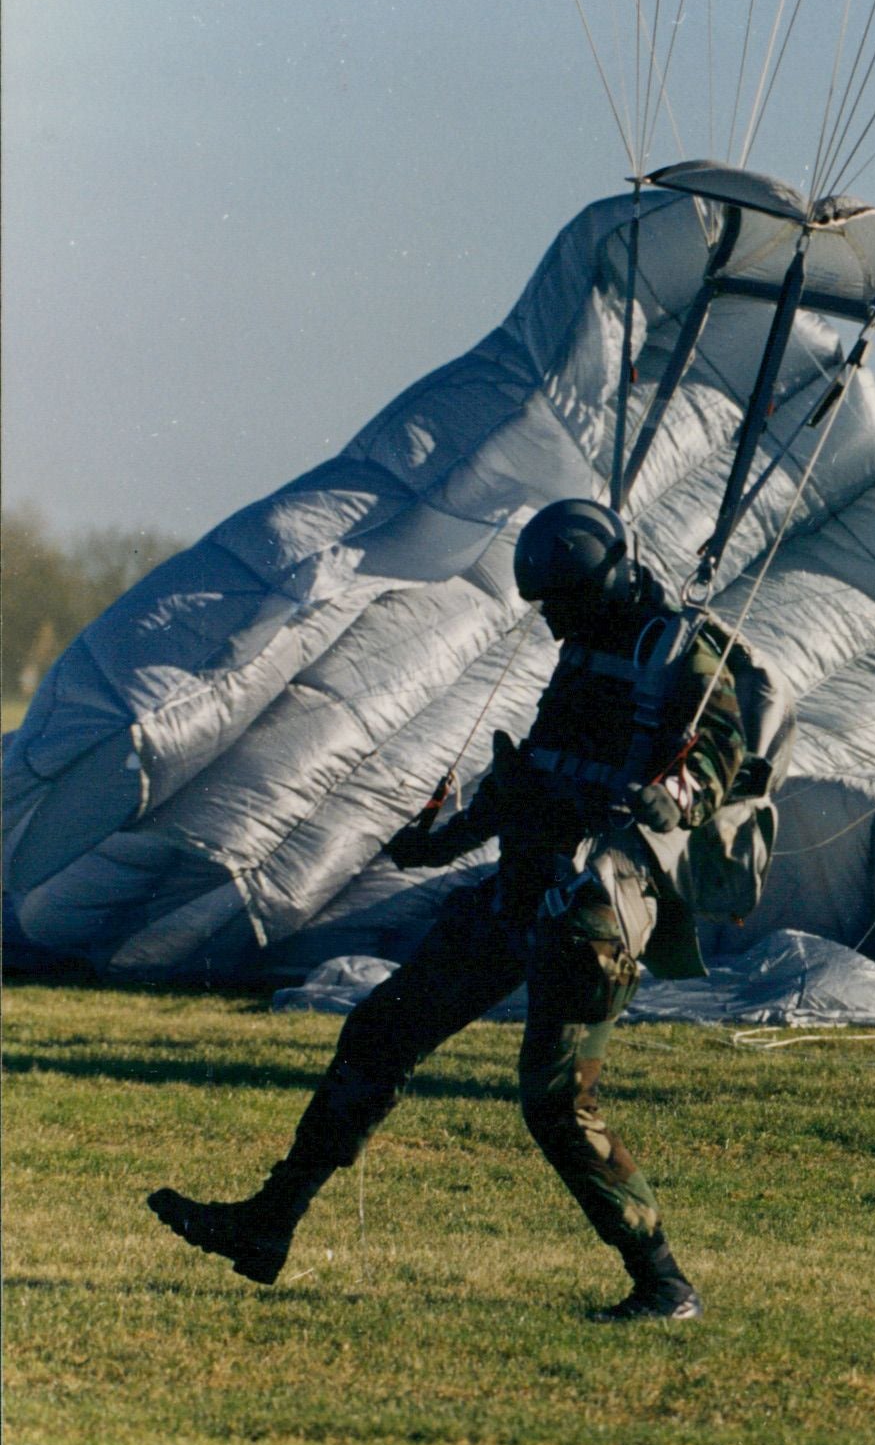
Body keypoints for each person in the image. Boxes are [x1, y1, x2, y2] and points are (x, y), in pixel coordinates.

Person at [148, 498, 793, 1319]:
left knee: (556, 1101)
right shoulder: (584, 647)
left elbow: (714, 756)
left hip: (593, 901)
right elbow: (530, 774)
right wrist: (440, 843)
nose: (553, 623)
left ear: (607, 582)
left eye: (563, 604)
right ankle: (269, 1225)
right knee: (381, 1030)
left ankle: (663, 1283)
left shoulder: (673, 650)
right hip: (520, 890)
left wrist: (671, 795)